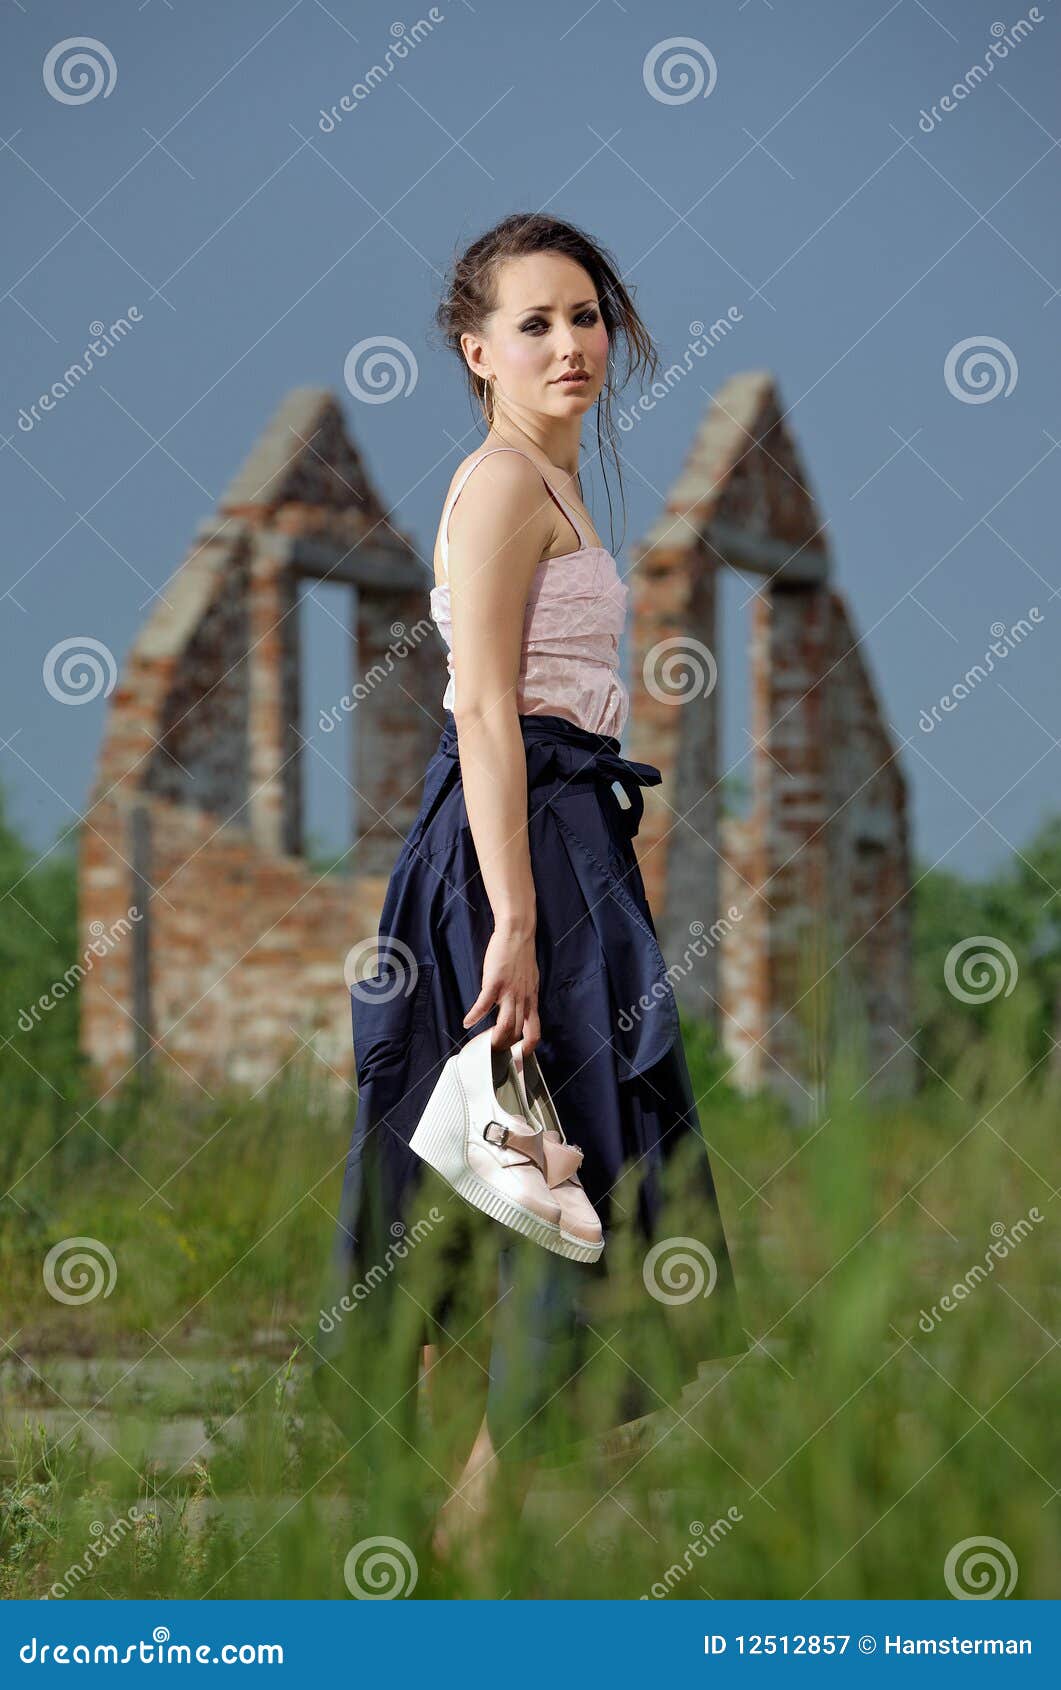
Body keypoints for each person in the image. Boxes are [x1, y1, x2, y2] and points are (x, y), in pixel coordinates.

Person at [314, 211, 745, 1564]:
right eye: (535, 323)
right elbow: (486, 710)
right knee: (555, 1157)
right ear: (476, 349)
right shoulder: (500, 485)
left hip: (561, 831)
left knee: (534, 1153)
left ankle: (453, 1502)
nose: (569, 344)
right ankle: (464, 1521)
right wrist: (512, 913)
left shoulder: (552, 481)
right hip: (517, 841)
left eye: (585, 316)